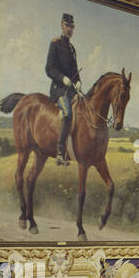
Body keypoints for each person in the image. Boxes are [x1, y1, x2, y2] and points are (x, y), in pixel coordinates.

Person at [45, 13, 83, 165]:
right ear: (62, 25)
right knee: (67, 114)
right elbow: (49, 68)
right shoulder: (55, 43)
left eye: (72, 27)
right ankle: (60, 152)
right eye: (67, 26)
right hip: (58, 89)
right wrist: (62, 78)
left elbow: (74, 71)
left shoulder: (72, 48)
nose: (70, 29)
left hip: (72, 90)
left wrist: (78, 82)